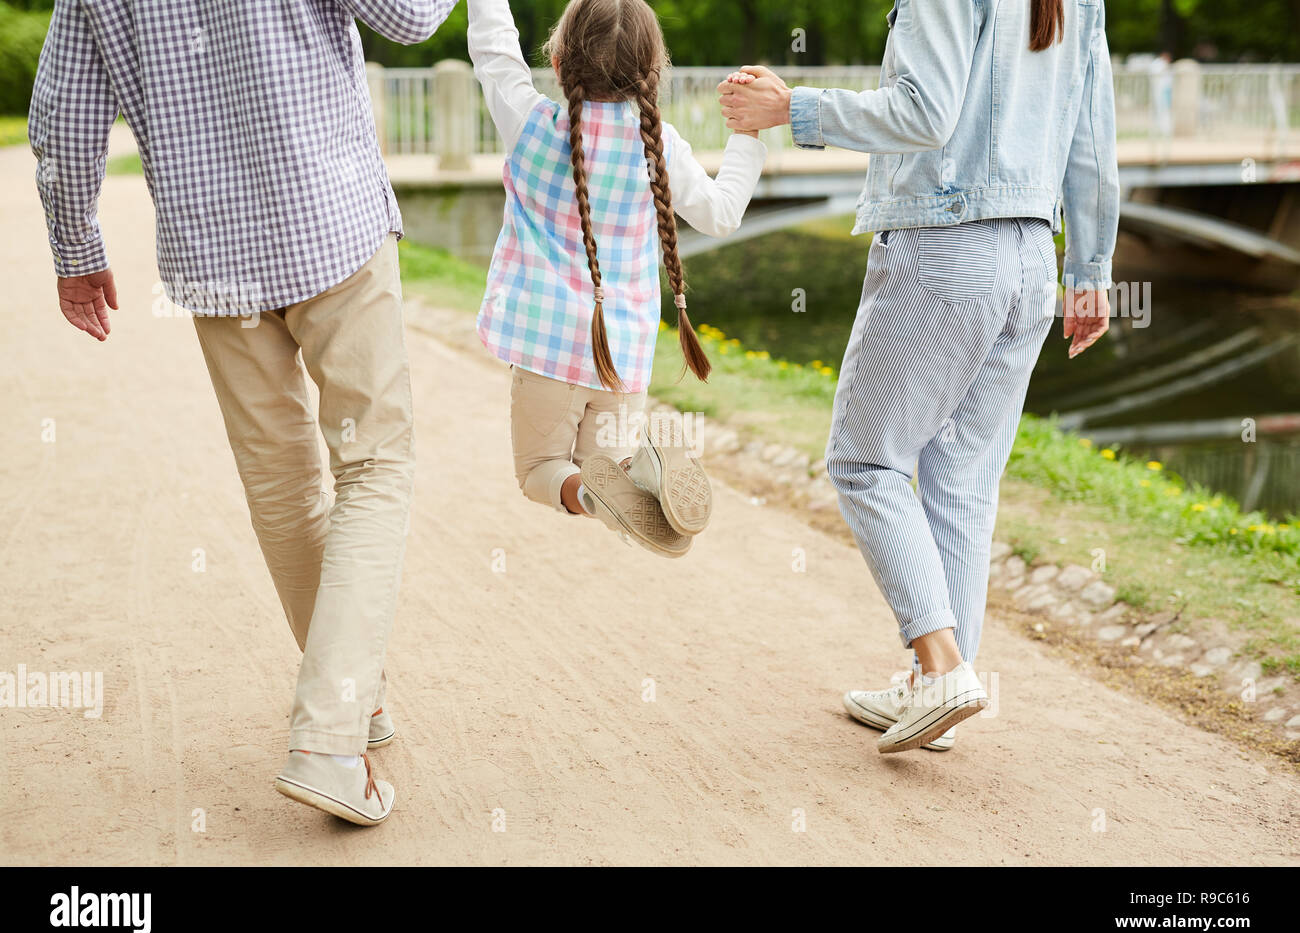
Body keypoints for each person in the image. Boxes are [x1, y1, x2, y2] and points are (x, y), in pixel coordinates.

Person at [29, 0, 461, 825]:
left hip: (213, 249)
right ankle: (329, 739)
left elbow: (64, 112)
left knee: (280, 483)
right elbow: (409, 19)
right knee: (374, 466)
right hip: (330, 219)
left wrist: (75, 249)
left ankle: (353, 699)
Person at [719, 0, 1119, 752]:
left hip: (946, 245)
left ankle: (940, 670)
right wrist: (1091, 269)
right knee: (961, 483)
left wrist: (791, 108)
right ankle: (934, 694)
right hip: (1033, 258)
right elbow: (1092, 132)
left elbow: (924, 114)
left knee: (865, 461)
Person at [467, 0, 766, 557]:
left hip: (544, 348)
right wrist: (747, 132)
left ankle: (608, 497)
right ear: (654, 73)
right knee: (607, 462)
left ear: (557, 63)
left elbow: (493, 52)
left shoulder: (530, 126)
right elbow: (722, 213)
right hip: (621, 359)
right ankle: (642, 474)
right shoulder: (659, 148)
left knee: (541, 472)